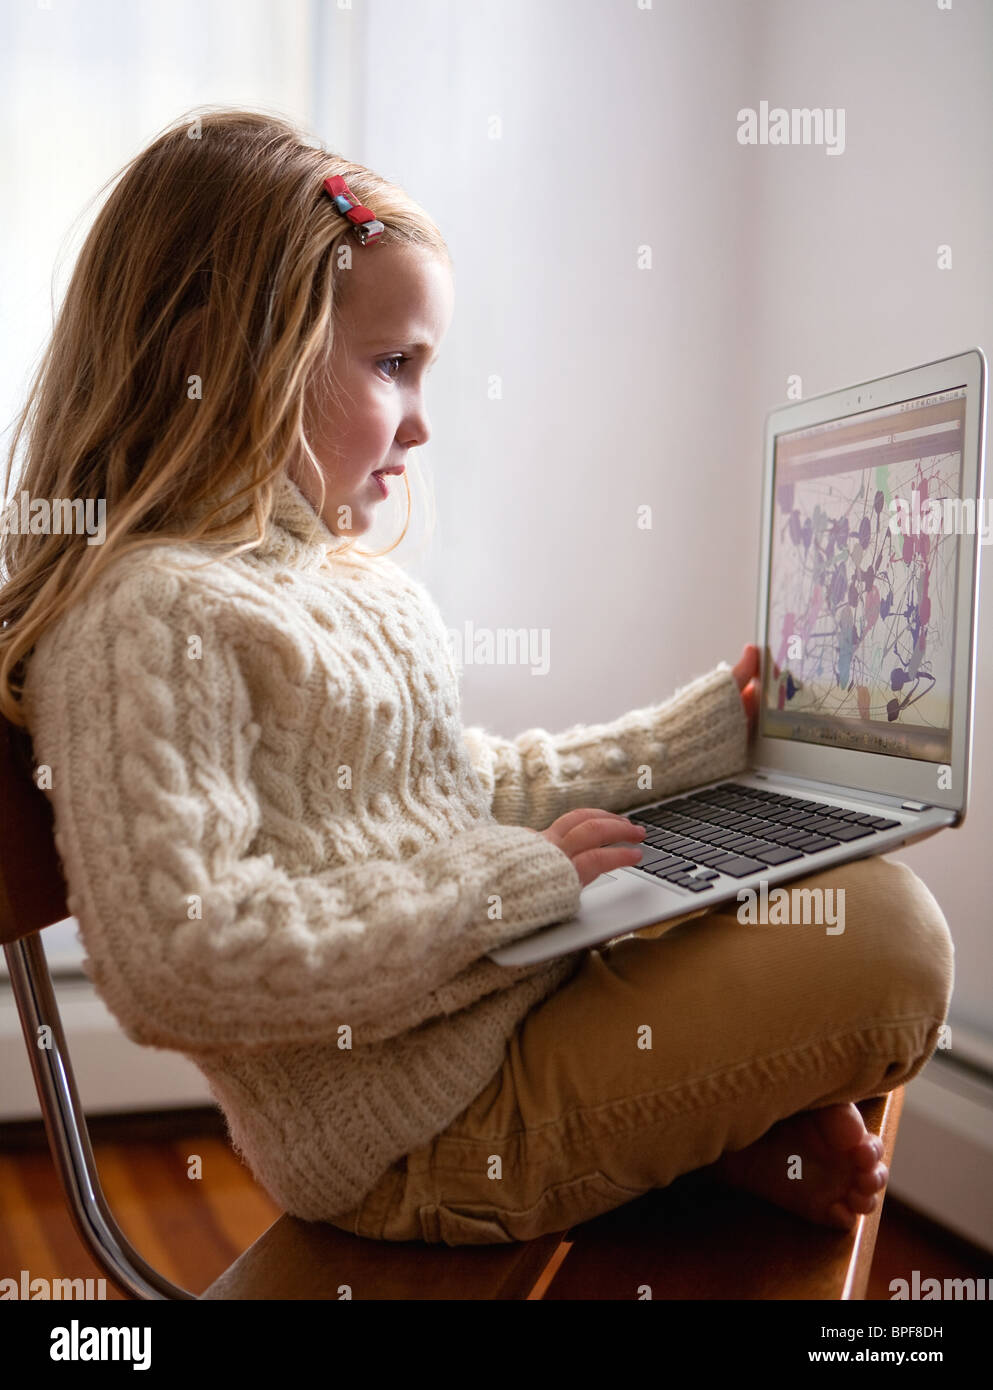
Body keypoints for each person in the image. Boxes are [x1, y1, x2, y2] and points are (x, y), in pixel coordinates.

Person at [0, 108, 953, 1250]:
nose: (422, 423)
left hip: (508, 1013)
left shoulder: (341, 580)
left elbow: (470, 793)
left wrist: (708, 734)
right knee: (888, 939)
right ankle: (710, 1131)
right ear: (226, 356)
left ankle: (718, 1128)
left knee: (789, 881)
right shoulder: (146, 617)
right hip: (419, 1136)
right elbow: (182, 959)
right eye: (394, 366)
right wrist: (504, 888)